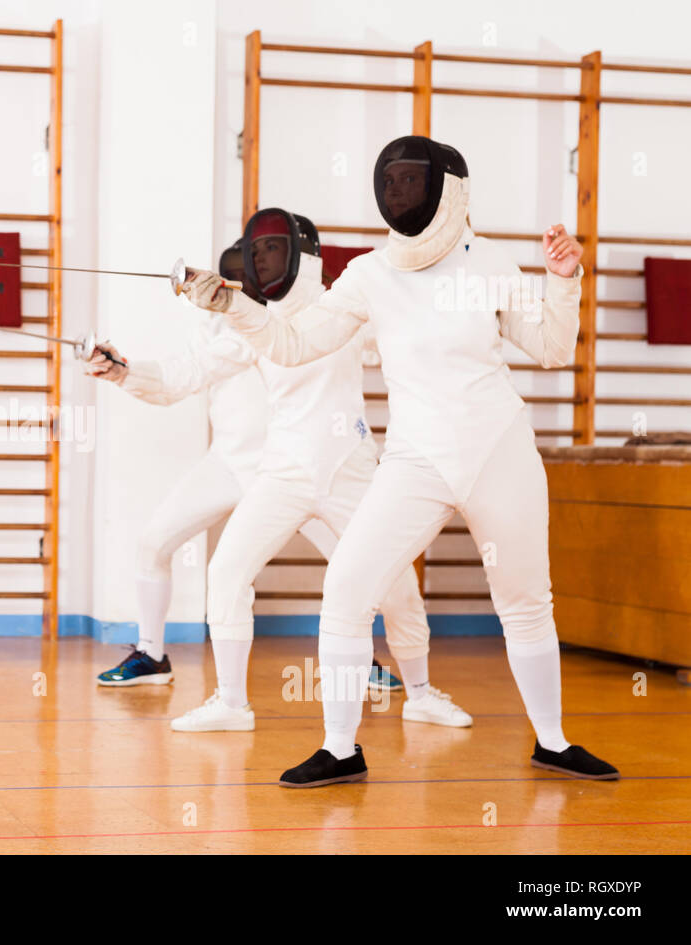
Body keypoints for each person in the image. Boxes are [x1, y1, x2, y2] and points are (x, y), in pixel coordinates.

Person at [182, 135, 619, 784]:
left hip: (498, 448)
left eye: (411, 183)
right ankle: (340, 747)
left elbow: (552, 349)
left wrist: (564, 279)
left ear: (450, 190)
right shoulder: (370, 275)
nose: (400, 194)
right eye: (392, 184)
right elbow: (297, 342)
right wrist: (234, 305)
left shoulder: (490, 264)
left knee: (524, 600)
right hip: (416, 459)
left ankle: (552, 741)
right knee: (348, 586)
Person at [91, 210, 469, 731]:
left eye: (274, 249)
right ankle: (230, 703)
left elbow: (408, 346)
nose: (264, 259)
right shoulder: (254, 322)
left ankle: (422, 694)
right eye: (258, 250)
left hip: (348, 470)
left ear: (303, 255)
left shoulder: (347, 309)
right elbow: (185, 374)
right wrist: (123, 370)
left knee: (396, 581)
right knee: (226, 572)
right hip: (284, 472)